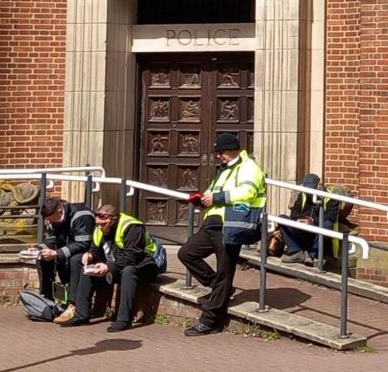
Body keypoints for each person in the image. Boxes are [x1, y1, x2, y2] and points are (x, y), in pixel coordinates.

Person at [177, 132, 266, 336]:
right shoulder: (225, 170)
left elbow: (248, 193)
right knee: (186, 253)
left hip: (230, 225)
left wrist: (216, 198)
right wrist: (203, 200)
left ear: (232, 150)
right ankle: (220, 287)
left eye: (221, 152)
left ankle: (209, 321)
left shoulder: (249, 168)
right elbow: (213, 194)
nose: (218, 156)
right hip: (212, 223)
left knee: (225, 272)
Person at [64, 204, 161, 332]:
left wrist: (108, 267)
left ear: (113, 219)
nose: (99, 227)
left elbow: (131, 256)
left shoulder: (132, 227)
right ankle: (81, 315)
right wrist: (90, 255)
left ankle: (124, 320)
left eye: (103, 224)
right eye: (98, 224)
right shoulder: (99, 228)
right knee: (87, 270)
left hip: (145, 266)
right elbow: (96, 250)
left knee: (128, 271)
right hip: (117, 265)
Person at [34, 196, 96, 309]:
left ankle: (73, 304)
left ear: (60, 211)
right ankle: (48, 299)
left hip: (89, 252)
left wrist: (57, 253)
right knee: (41, 258)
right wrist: (39, 249)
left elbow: (84, 243)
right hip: (66, 250)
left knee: (74, 260)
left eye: (50, 220)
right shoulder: (54, 218)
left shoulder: (81, 215)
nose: (49, 222)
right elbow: (51, 239)